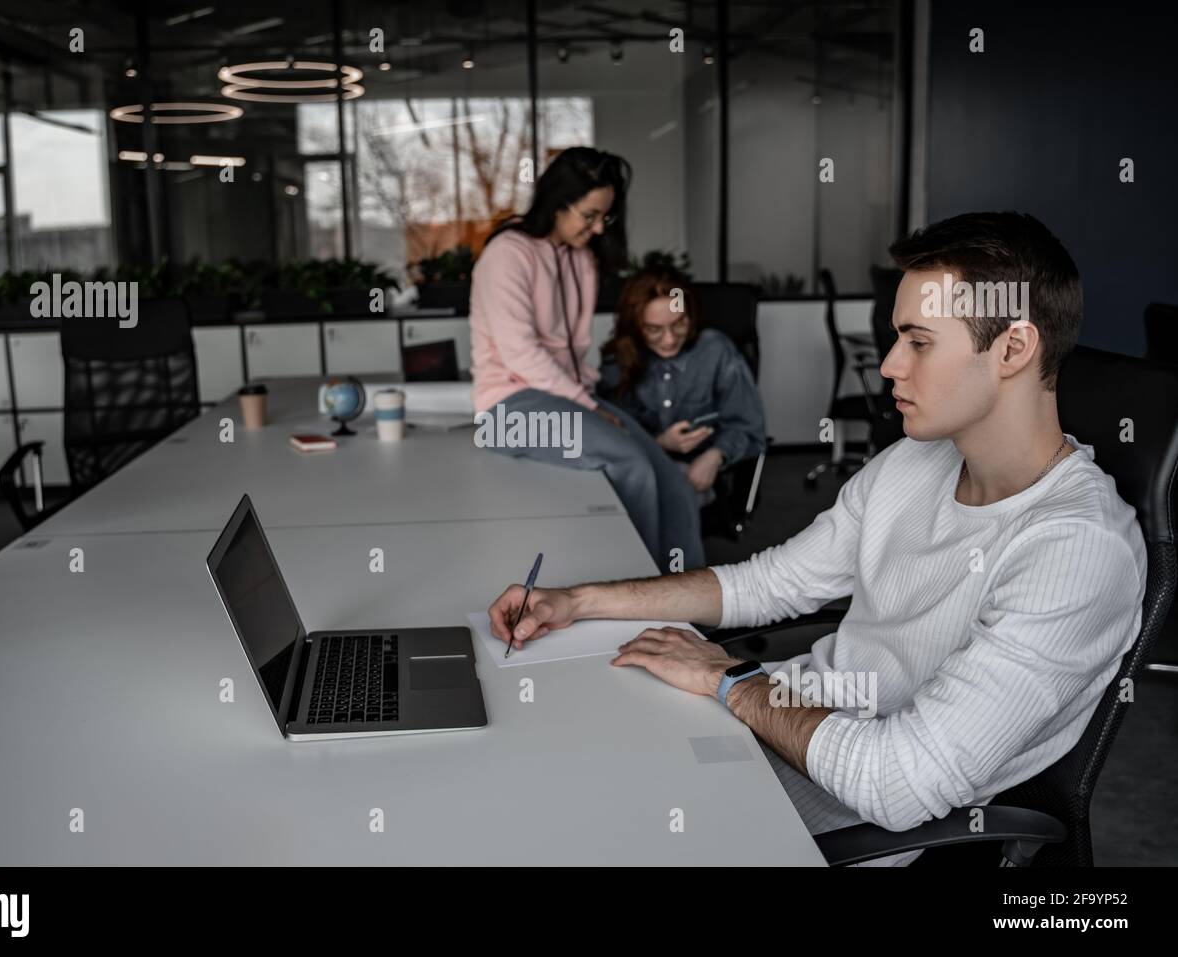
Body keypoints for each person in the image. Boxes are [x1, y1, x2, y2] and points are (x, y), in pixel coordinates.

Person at [484, 212, 1147, 865]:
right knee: (546, 763)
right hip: (760, 738)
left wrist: (731, 679)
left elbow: (898, 781)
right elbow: (768, 584)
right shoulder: (914, 463)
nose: (888, 365)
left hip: (840, 825)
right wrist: (577, 601)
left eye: (918, 342)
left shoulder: (1078, 552)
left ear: (1013, 348)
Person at [469, 147, 705, 571]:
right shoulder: (508, 255)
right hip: (508, 409)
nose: (598, 229)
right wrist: (592, 405)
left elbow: (575, 349)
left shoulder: (581, 258)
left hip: (569, 396)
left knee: (674, 484)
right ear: (558, 203)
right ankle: (647, 603)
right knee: (629, 463)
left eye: (605, 218)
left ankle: (693, 611)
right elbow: (519, 352)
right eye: (589, 215)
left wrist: (591, 399)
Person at [597, 266, 766, 502]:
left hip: (697, 472)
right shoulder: (619, 360)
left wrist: (715, 455)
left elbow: (750, 429)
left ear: (690, 316)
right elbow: (606, 434)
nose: (669, 339)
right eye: (654, 330)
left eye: (679, 324)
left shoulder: (715, 350)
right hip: (637, 467)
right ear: (635, 327)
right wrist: (659, 443)